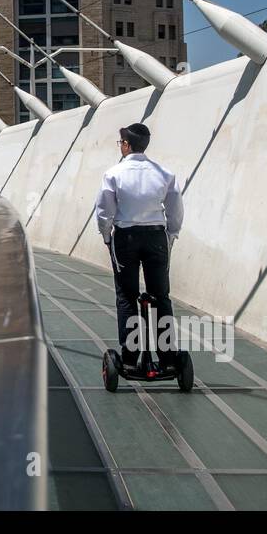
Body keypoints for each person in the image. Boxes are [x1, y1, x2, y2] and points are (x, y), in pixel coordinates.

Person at [94, 122, 184, 369]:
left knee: (127, 296)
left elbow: (105, 212)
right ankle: (167, 358)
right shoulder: (165, 174)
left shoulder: (114, 174)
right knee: (161, 297)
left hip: (126, 238)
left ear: (126, 145)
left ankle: (131, 358)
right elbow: (175, 210)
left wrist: (106, 236)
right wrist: (170, 235)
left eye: (121, 142)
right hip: (156, 237)